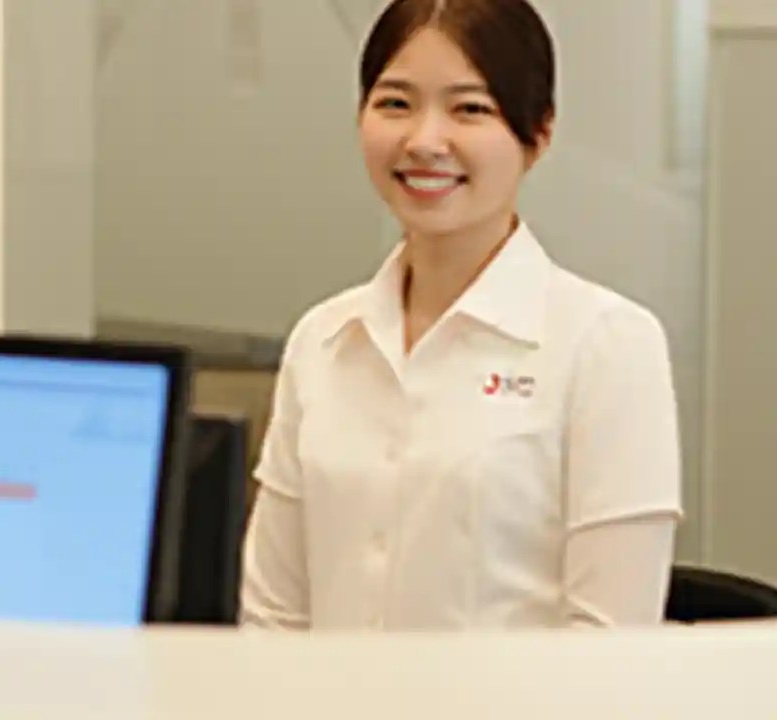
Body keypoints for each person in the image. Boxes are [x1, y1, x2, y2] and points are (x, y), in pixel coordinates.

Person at [239, 0, 682, 630]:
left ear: (539, 133)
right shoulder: (324, 341)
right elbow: (273, 621)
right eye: (395, 103)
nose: (424, 141)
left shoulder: (607, 344)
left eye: (470, 108)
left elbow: (608, 652)